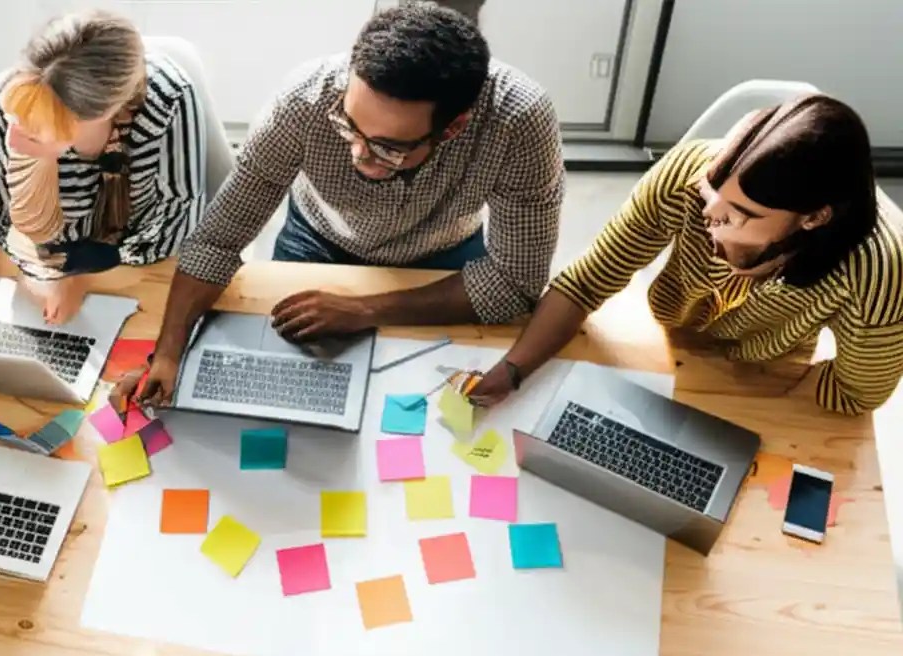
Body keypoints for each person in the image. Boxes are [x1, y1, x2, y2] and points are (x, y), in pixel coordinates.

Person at [112, 3, 564, 411]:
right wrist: (166, 353)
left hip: (443, 257)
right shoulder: (305, 98)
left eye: (389, 147)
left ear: (454, 128)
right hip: (317, 239)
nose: (359, 156)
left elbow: (513, 281)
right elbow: (216, 240)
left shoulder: (519, 120)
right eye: (349, 127)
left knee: (425, 395)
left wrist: (365, 309)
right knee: (288, 388)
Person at [465, 95, 903, 416]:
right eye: (710, 197)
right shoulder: (688, 174)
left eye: (738, 215)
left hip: (769, 372)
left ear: (814, 218)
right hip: (668, 337)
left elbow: (857, 392)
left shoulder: (877, 270)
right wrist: (514, 369)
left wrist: (756, 402)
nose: (709, 220)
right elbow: (586, 281)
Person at [0, 10, 206, 337]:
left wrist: (81, 278)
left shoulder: (166, 101)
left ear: (106, 113)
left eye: (39, 129)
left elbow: (175, 224)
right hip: (38, 277)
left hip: (136, 276)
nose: (13, 138)